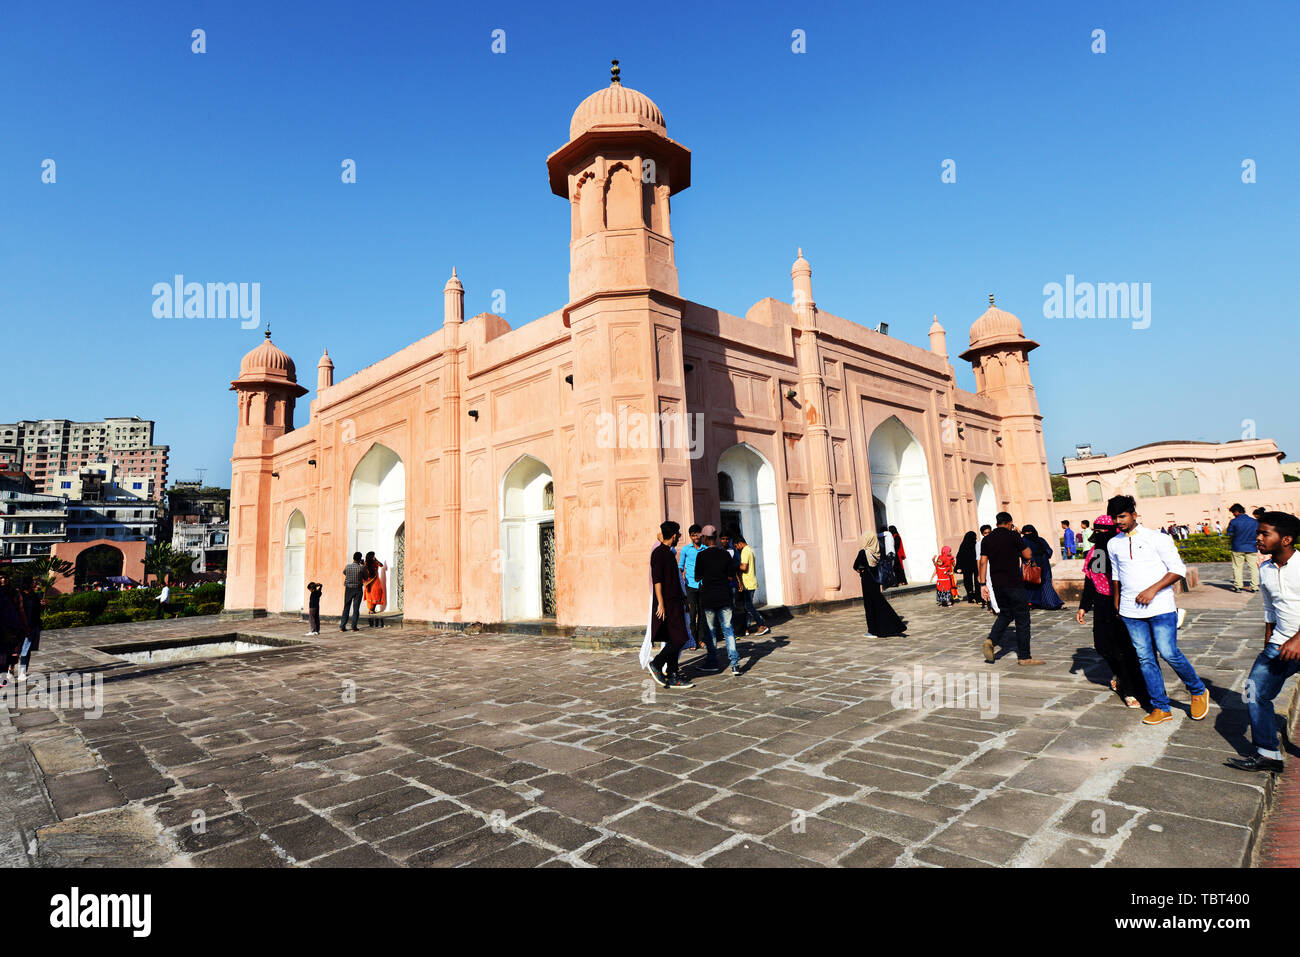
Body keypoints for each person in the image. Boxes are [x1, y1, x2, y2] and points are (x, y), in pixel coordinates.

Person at [1107, 495, 1209, 726]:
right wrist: (1116, 600)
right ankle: (1161, 707)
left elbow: (1177, 570)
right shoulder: (1114, 543)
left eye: (1122, 516)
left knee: (1168, 652)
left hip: (1160, 606)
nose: (1119, 521)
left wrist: (1152, 590)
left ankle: (1197, 689)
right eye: (1115, 517)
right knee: (1145, 658)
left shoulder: (1157, 538)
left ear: (1134, 514)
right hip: (1130, 611)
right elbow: (1116, 575)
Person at [1227, 511, 1300, 773]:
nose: (1257, 537)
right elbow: (1270, 609)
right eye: (1258, 532)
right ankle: (1268, 753)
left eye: (1264, 533)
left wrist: (1297, 640)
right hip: (1279, 646)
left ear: (1286, 539)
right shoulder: (1265, 568)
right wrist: (1268, 642)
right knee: (1253, 692)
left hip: (1296, 643)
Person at [1076, 515, 1148, 710]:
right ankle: (1122, 678)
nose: (1099, 536)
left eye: (1102, 532)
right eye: (1096, 532)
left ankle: (1129, 689)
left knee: (1126, 649)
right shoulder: (1095, 552)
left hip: (1124, 602)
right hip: (1102, 603)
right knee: (1102, 646)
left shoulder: (1123, 548)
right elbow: (1091, 580)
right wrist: (1084, 606)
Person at [978, 512, 1043, 666]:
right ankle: (1024, 656)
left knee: (1006, 613)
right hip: (1014, 583)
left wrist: (982, 585)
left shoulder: (987, 539)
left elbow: (982, 562)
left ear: (997, 523)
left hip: (997, 584)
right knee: (1022, 618)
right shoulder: (1013, 536)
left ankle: (991, 640)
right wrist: (1018, 536)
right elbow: (1028, 554)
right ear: (1009, 523)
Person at [645, 521, 693, 688]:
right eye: (678, 534)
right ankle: (657, 663)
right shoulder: (658, 553)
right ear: (673, 535)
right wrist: (660, 604)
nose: (679, 537)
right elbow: (657, 580)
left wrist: (684, 598)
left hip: (676, 601)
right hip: (667, 604)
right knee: (680, 638)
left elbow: (675, 580)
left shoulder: (669, 553)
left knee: (676, 638)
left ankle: (673, 675)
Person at [695, 525, 744, 676]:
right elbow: (730, 576)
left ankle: (712, 662)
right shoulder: (725, 555)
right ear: (716, 537)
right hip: (724, 596)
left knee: (711, 632)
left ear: (704, 538)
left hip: (709, 597)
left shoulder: (701, 556)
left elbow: (697, 577)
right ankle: (734, 664)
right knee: (728, 630)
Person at [676, 524, 717, 669]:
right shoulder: (686, 549)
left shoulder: (706, 549)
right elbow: (681, 566)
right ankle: (693, 640)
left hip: (703, 585)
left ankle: (701, 639)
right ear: (690, 536)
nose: (696, 537)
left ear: (701, 535)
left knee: (702, 613)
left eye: (697, 534)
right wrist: (680, 579)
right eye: (693, 535)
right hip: (690, 585)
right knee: (692, 613)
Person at [852, 532, 907, 638]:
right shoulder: (878, 550)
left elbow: (855, 566)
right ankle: (894, 626)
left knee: (870, 606)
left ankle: (872, 630)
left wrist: (861, 570)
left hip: (867, 581)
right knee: (879, 603)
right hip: (876, 581)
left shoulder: (863, 552)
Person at [732, 532, 771, 637]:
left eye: (736, 546)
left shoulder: (745, 551)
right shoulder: (749, 550)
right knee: (747, 606)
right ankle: (747, 627)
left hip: (748, 583)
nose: (737, 548)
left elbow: (744, 567)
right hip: (750, 582)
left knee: (748, 606)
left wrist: (734, 566)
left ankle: (761, 624)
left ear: (739, 543)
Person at [1020, 525, 1065, 610]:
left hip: (1044, 565)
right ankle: (1031, 603)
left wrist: (1043, 554)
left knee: (1046, 584)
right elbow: (1021, 552)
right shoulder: (1023, 541)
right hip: (1030, 566)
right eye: (1026, 532)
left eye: (1030, 532)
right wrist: (1031, 559)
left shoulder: (1040, 540)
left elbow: (1049, 550)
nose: (1028, 534)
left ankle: (1052, 603)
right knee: (1031, 584)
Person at [16, 577, 45, 683]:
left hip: (33, 625)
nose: (35, 583)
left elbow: (36, 610)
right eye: (33, 581)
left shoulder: (35, 595)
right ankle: (16, 672)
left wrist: (42, 605)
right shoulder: (20, 595)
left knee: (26, 650)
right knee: (20, 650)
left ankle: (23, 672)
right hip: (22, 627)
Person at [1226, 504, 1260, 593]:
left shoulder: (1234, 521)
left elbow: (1229, 533)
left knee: (1237, 567)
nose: (1233, 514)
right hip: (1252, 547)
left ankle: (1238, 586)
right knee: (1253, 568)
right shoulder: (1254, 521)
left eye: (1233, 512)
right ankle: (1255, 587)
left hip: (1238, 547)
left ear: (1237, 512)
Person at [341, 552, 365, 632]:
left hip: (348, 589)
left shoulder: (347, 566)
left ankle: (342, 626)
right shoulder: (361, 568)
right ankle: (353, 626)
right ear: (359, 559)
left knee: (346, 607)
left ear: (353, 558)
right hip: (357, 589)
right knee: (356, 608)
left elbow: (344, 572)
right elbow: (366, 576)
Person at [363, 551, 387, 627]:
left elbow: (381, 565)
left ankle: (372, 609)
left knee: (377, 594)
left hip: (376, 581)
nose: (374, 557)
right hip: (370, 582)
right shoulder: (366, 564)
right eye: (373, 556)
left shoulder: (375, 562)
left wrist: (376, 560)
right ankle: (371, 609)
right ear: (370, 556)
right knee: (370, 595)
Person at [955, 531, 979, 603]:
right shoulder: (975, 544)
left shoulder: (964, 545)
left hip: (968, 566)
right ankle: (977, 597)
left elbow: (959, 556)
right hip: (974, 566)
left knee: (968, 581)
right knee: (976, 581)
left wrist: (959, 566)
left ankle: (970, 596)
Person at [975, 524, 993, 609]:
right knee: (988, 586)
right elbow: (979, 559)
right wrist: (979, 573)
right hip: (986, 567)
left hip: (995, 565)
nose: (988, 534)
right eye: (985, 533)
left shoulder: (995, 541)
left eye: (989, 532)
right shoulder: (979, 544)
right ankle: (991, 605)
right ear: (982, 534)